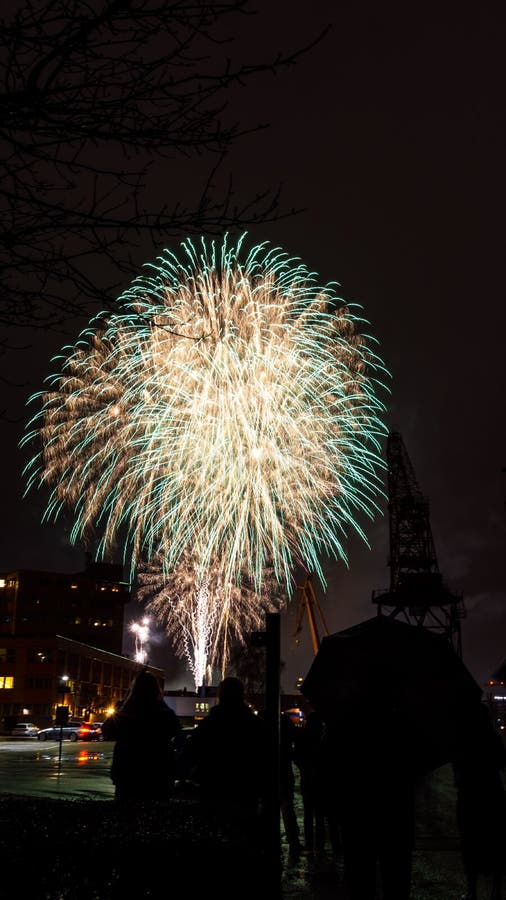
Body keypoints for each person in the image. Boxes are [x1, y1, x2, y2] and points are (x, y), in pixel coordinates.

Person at [325, 702, 416, 900]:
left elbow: (330, 768)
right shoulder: (404, 723)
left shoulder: (343, 724)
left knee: (361, 882)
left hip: (357, 816)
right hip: (396, 815)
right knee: (396, 882)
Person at [187, 676, 269, 840]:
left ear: (220, 696)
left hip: (213, 791)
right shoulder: (256, 725)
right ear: (242, 695)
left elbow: (190, 752)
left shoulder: (209, 724)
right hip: (246, 793)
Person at [101, 668, 181, 803]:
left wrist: (125, 700)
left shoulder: (125, 714)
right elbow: (175, 728)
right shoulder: (163, 714)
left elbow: (107, 730)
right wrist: (160, 701)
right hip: (158, 775)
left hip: (128, 776)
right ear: (156, 690)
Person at [452, 702, 506, 900]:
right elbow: (501, 761)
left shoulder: (462, 740)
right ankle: (496, 890)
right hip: (492, 794)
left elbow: (457, 769)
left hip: (470, 796)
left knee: (470, 842)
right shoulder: (492, 739)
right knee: (496, 843)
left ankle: (472, 890)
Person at [297, 709, 341, 859]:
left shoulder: (304, 739)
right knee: (322, 815)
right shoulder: (326, 740)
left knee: (309, 815)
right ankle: (323, 846)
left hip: (308, 780)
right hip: (323, 781)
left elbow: (297, 756)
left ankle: (310, 845)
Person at [279, 710, 303, 857]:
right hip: (285, 772)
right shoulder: (288, 729)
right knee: (288, 808)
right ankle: (293, 840)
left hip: (270, 774)